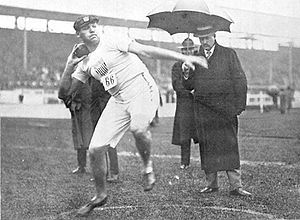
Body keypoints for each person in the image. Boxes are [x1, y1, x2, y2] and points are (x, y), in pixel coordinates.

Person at [60, 15, 207, 216]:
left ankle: (147, 168)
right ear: (78, 34)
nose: (93, 29)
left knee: (138, 128)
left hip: (141, 88)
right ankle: (100, 195)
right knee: (94, 150)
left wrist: (183, 57)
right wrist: (69, 65)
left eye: (94, 25)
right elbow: (65, 92)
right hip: (117, 100)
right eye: (86, 28)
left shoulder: (112, 39)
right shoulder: (84, 62)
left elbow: (147, 51)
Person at [182, 26, 251, 196]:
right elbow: (189, 86)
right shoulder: (195, 58)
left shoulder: (229, 54)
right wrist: (186, 73)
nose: (204, 42)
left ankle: (236, 186)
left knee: (229, 145)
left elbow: (240, 81)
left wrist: (238, 107)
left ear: (214, 35)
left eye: (206, 38)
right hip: (203, 110)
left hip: (225, 110)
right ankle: (211, 184)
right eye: (201, 39)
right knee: (207, 146)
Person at [171, 38, 198, 169]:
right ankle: (185, 162)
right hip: (184, 106)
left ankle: (206, 161)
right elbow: (176, 85)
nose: (188, 51)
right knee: (184, 135)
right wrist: (189, 91)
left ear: (194, 50)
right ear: (182, 51)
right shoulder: (177, 66)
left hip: (198, 104)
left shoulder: (198, 65)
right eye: (185, 49)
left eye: (190, 49)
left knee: (202, 134)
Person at [89, 77, 119, 182]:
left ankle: (114, 172)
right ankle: (102, 173)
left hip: (107, 105)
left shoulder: (107, 66)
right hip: (94, 106)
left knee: (110, 140)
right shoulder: (91, 67)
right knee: (97, 140)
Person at [59, 81, 94, 174]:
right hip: (78, 111)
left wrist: (73, 99)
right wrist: (70, 101)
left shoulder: (86, 75)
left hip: (86, 110)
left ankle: (94, 167)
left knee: (88, 138)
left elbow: (87, 93)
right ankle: (81, 166)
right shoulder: (76, 73)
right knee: (80, 138)